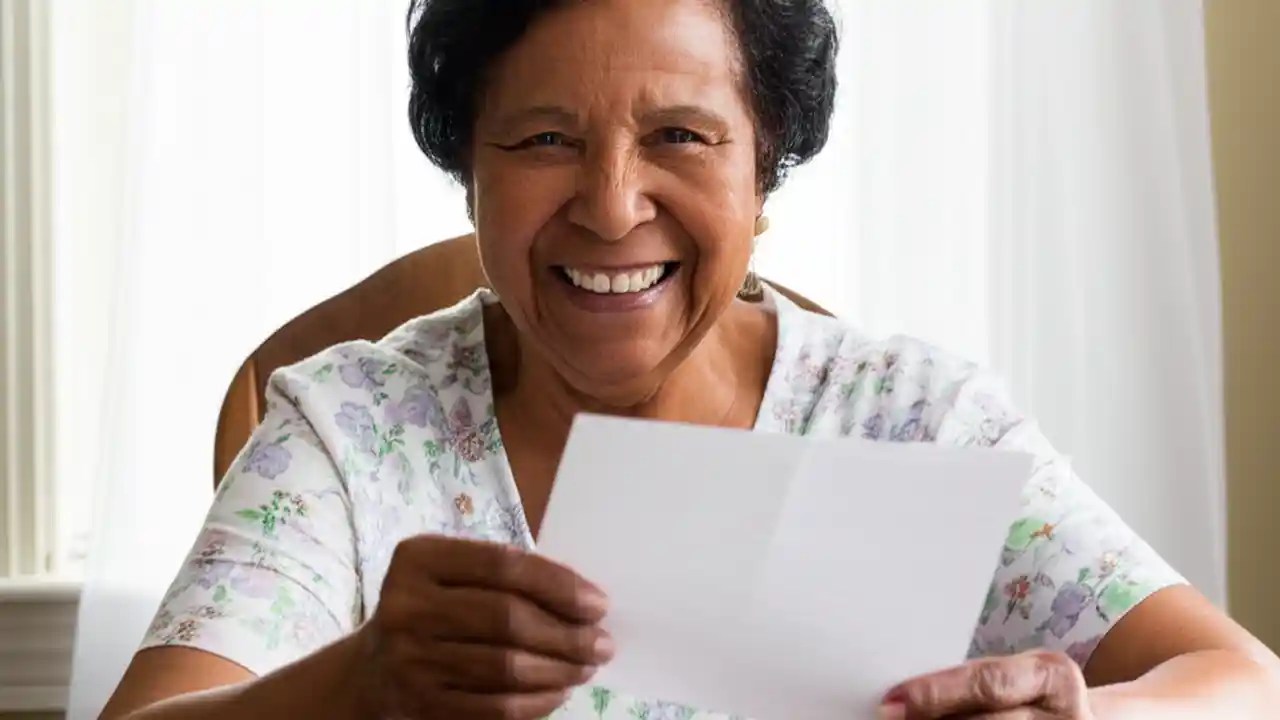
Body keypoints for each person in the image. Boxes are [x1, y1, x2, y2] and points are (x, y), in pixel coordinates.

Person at [103, 0, 1280, 717]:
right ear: (471, 171)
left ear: (762, 175)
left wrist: (1077, 711)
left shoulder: (910, 423)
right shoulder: (352, 428)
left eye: (679, 137)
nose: (612, 210)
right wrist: (358, 689)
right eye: (543, 140)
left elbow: (1241, 684)